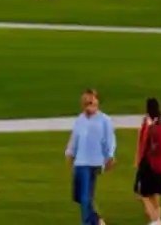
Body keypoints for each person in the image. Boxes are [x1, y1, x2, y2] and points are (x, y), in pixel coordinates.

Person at [66, 89, 117, 225]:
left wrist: (110, 156)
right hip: (79, 162)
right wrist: (70, 153)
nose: (89, 102)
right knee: (79, 196)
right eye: (86, 100)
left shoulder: (104, 120)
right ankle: (97, 220)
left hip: (93, 162)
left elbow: (110, 140)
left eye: (91, 100)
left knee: (85, 197)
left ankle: (89, 222)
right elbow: (75, 138)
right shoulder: (80, 120)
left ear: (97, 102)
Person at [134, 98, 161, 225]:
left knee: (143, 194)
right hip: (160, 165)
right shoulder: (160, 124)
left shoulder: (148, 125)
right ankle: (158, 220)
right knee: (154, 194)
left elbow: (143, 146)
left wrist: (138, 162)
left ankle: (155, 221)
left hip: (148, 165)